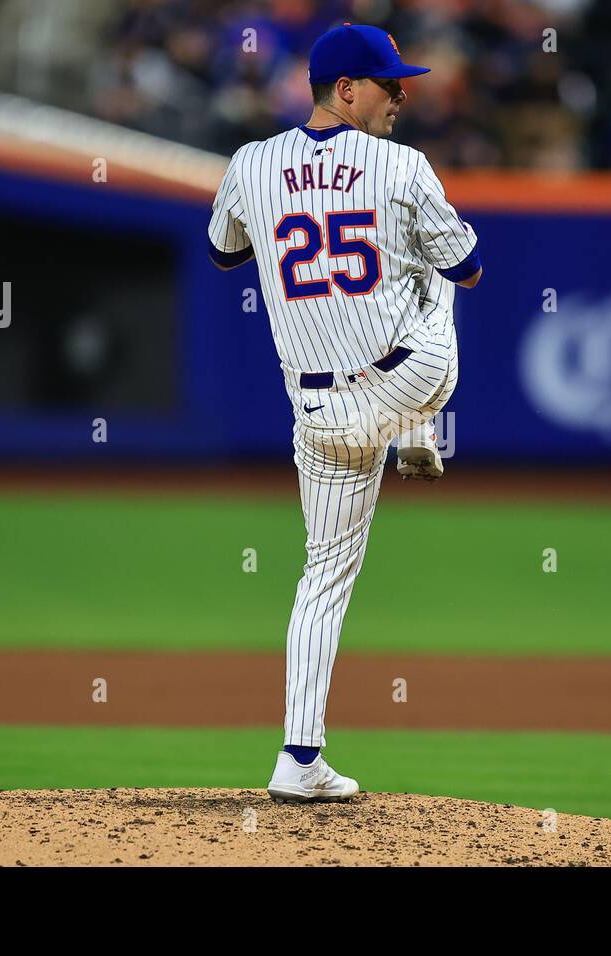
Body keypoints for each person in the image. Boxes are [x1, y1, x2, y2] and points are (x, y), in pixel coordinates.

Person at [206, 22, 483, 802]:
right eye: (389, 83)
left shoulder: (249, 163)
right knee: (441, 278)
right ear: (346, 89)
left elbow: (224, 253)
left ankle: (297, 757)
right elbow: (470, 266)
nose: (403, 94)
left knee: (320, 577)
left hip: (318, 413)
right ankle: (421, 432)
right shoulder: (403, 165)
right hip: (411, 379)